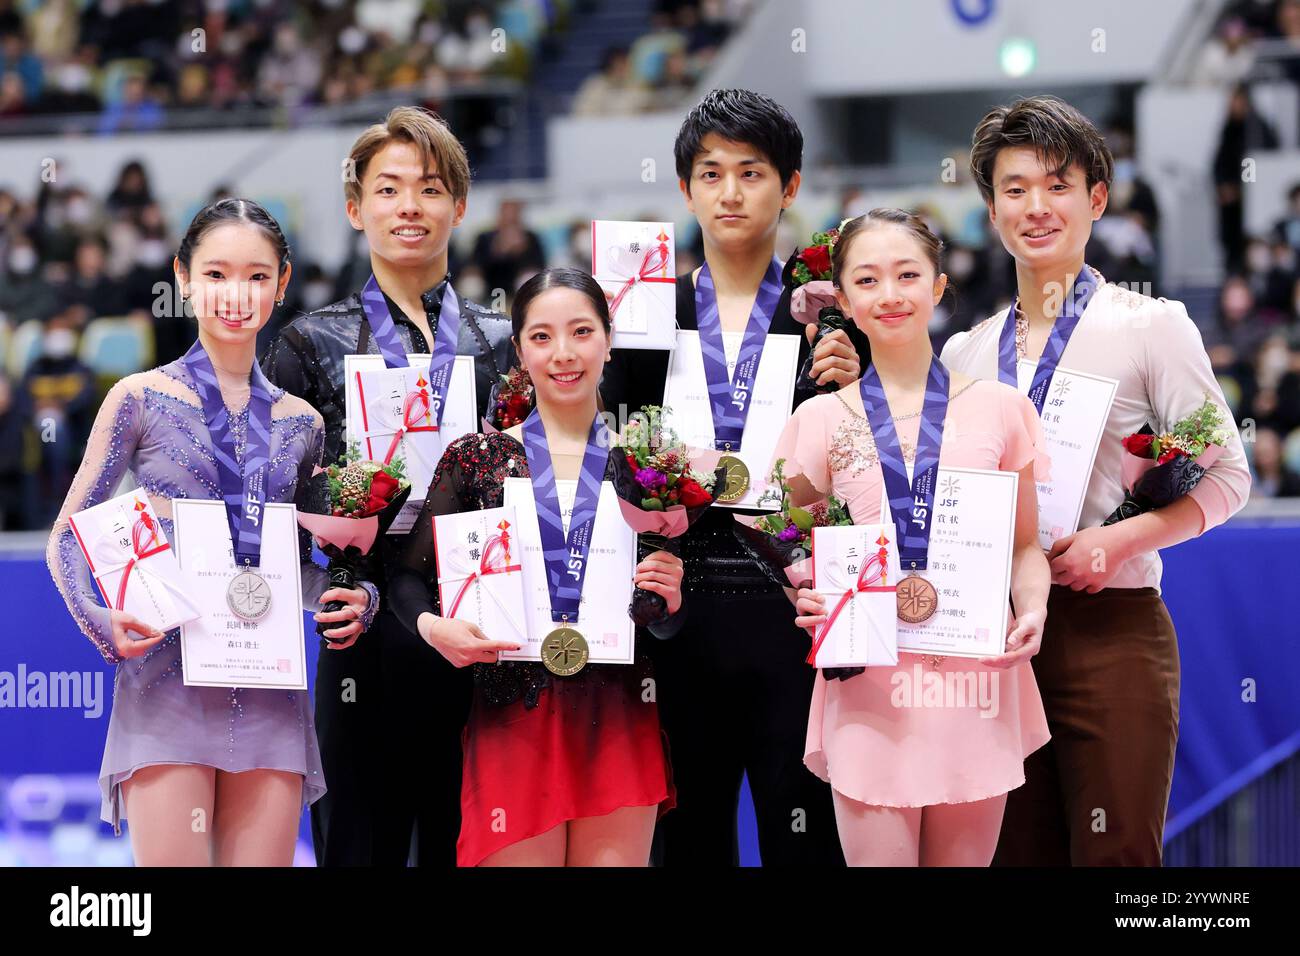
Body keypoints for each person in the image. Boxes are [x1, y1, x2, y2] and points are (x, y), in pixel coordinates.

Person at [943, 94, 1252, 865]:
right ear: (990, 207)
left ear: (1097, 199)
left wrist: (1119, 543)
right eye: (1015, 189)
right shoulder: (964, 356)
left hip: (1111, 627)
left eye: (1058, 185)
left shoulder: (1152, 325)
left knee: (1117, 864)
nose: (1036, 207)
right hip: (998, 641)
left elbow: (1228, 475)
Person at [46, 198, 377, 866]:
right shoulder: (138, 399)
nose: (237, 294)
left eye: (257, 276)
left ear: (281, 285)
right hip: (167, 685)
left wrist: (351, 595)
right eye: (218, 274)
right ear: (184, 277)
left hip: (270, 691)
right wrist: (97, 619)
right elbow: (66, 539)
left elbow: (287, 570)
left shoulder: (304, 423)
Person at [600, 89, 863, 866]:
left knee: (805, 836)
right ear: (685, 190)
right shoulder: (645, 314)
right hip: (677, 604)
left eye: (752, 172)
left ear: (790, 186)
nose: (730, 192)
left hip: (795, 608)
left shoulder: (834, 317)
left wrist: (858, 389)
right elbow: (612, 439)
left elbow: (872, 465)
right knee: (686, 841)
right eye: (710, 174)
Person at [262, 106, 515, 867]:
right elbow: (272, 506)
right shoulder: (308, 343)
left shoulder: (505, 341)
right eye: (389, 189)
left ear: (459, 206)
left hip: (480, 632)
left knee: (464, 845)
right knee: (358, 849)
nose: (410, 207)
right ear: (355, 207)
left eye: (431, 189)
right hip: (359, 634)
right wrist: (326, 583)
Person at [775, 209, 1051, 866]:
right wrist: (803, 587)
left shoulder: (1003, 409)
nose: (889, 294)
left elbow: (1024, 548)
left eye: (907, 275)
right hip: (871, 681)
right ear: (842, 300)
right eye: (867, 280)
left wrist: (1035, 607)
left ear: (937, 286)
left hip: (974, 682)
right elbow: (781, 528)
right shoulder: (819, 419)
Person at [386, 268, 684, 866]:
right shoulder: (478, 458)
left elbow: (667, 625)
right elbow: (405, 577)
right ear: (519, 348)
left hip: (620, 716)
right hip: (511, 718)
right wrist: (433, 628)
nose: (564, 354)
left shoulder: (649, 464)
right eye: (543, 337)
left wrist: (669, 602)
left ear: (608, 338)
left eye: (581, 331)